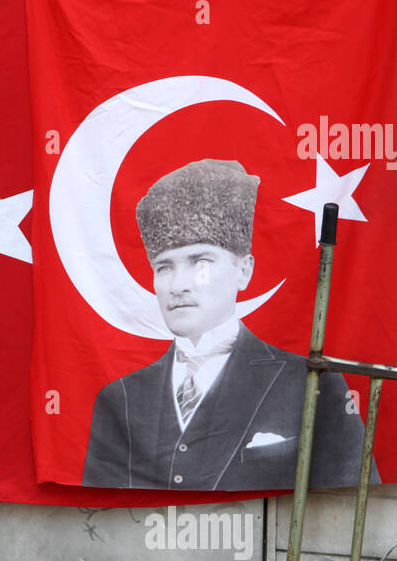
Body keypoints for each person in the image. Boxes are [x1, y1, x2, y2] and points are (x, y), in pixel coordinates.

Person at [81, 158, 372, 492]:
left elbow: (348, 496)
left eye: (201, 262)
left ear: (243, 270)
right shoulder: (120, 399)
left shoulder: (312, 384)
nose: (179, 285)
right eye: (164, 267)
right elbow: (101, 508)